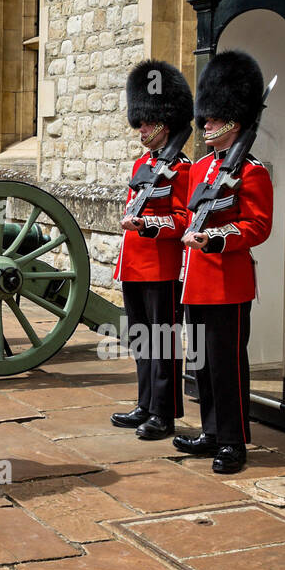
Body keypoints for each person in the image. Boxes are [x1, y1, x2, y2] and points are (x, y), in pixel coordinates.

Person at [177, 50, 274, 476]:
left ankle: (234, 441)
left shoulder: (252, 171)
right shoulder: (199, 169)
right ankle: (211, 432)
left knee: (228, 364)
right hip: (195, 280)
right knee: (201, 362)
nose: (206, 126)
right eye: (206, 120)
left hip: (228, 281)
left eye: (213, 121)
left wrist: (214, 238)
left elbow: (257, 227)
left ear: (233, 121)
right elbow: (186, 212)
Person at [112, 60, 192, 442]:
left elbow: (181, 220)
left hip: (162, 266)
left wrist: (146, 226)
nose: (141, 129)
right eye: (139, 122)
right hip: (134, 265)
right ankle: (145, 403)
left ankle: (165, 412)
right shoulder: (143, 163)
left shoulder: (183, 168)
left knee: (164, 343)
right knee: (142, 339)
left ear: (165, 122)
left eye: (146, 123)